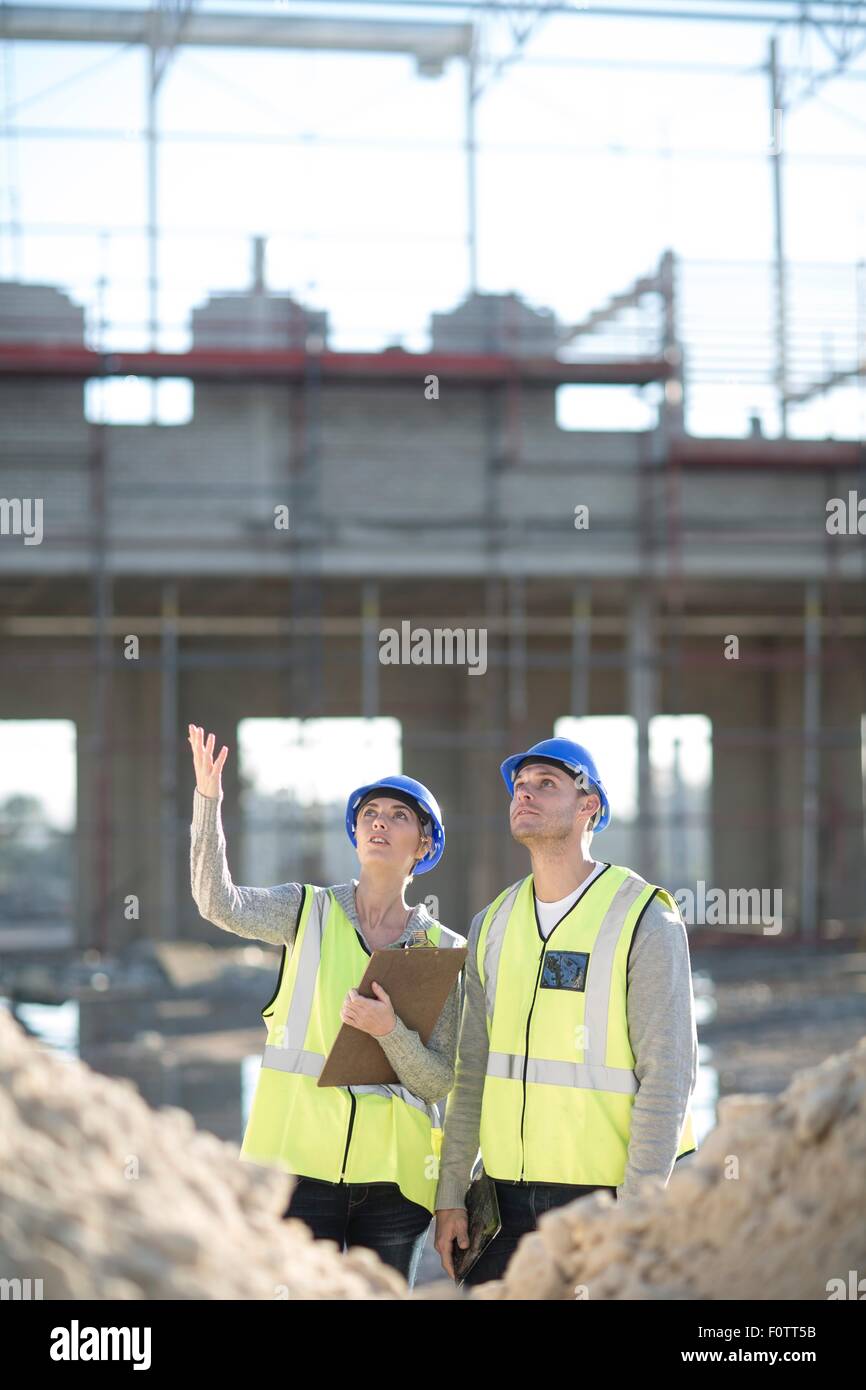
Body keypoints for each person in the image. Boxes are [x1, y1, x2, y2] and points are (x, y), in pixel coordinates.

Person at [188, 724, 465, 1288]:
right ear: (356, 833)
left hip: (394, 1183)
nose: (380, 821)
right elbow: (218, 902)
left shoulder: (445, 950)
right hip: (294, 1170)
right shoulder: (305, 912)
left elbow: (437, 1081)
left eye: (399, 815)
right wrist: (207, 804)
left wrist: (390, 1031)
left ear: (425, 845)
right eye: (370, 814)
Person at [433, 736, 698, 1287]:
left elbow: (668, 1074)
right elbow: (471, 1071)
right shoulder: (492, 924)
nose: (524, 794)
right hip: (503, 1204)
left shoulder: (644, 918)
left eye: (545, 784)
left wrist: (640, 1204)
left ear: (589, 806)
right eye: (519, 786)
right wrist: (451, 1192)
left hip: (603, 1200)